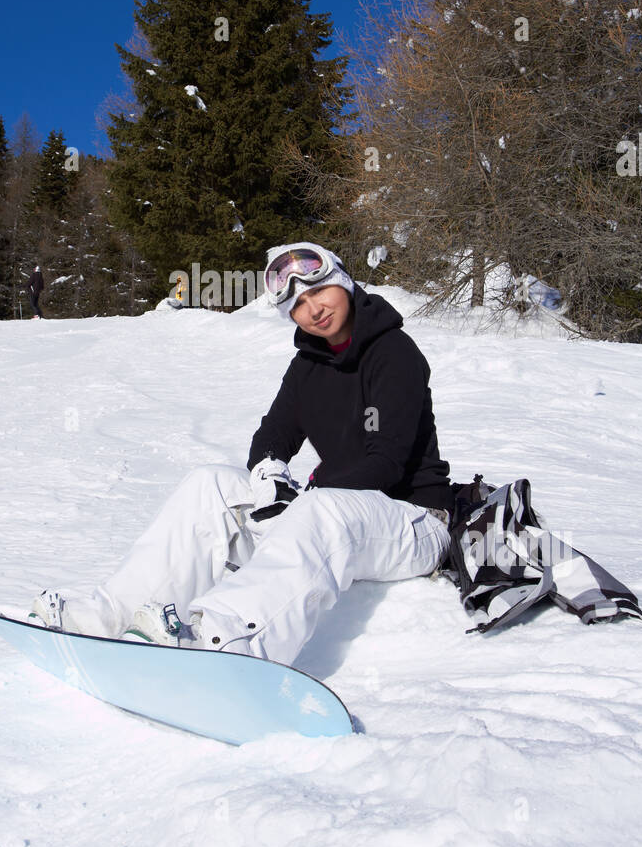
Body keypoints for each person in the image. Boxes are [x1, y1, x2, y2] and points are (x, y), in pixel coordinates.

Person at [30, 242, 454, 667]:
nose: (314, 309)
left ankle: (226, 640)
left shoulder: (392, 353)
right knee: (211, 482)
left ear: (342, 280)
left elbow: (385, 462)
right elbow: (272, 437)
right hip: (340, 515)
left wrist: (305, 499)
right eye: (298, 303)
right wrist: (269, 475)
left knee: (322, 508)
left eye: (320, 290)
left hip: (412, 520)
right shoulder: (308, 366)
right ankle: (110, 617)